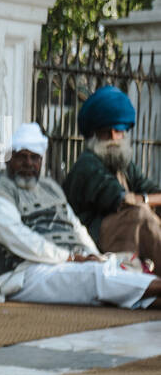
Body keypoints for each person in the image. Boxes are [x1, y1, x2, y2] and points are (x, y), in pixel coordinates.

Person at [0, 122, 160, 308]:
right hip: (27, 273)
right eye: (22, 157)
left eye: (34, 158)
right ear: (8, 159)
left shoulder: (50, 188)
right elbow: (19, 239)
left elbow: (76, 227)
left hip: (71, 264)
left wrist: (93, 256)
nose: (28, 164)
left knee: (117, 269)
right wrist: (69, 258)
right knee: (96, 276)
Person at [61, 85, 161, 269]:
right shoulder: (87, 164)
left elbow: (153, 193)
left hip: (125, 236)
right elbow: (124, 201)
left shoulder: (123, 164)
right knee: (139, 215)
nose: (114, 138)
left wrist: (144, 198)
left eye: (118, 132)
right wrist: (143, 201)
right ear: (94, 135)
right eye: (106, 132)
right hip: (90, 239)